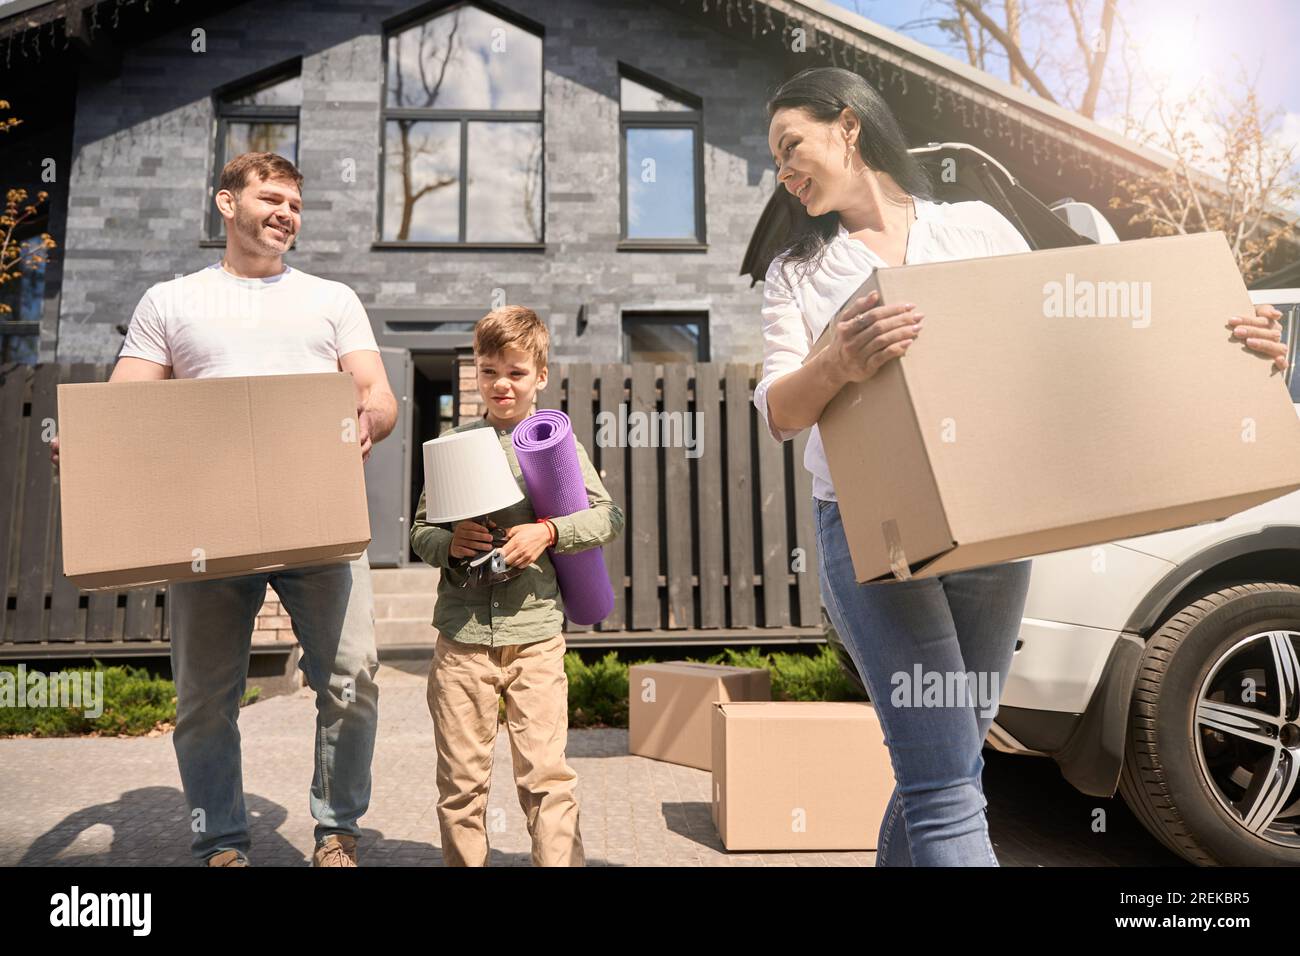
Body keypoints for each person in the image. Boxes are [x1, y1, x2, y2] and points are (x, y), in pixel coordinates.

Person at [753, 67, 1288, 866]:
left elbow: (1076, 338)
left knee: (945, 771)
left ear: (849, 126)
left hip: (992, 530)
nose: (783, 170)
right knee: (945, 789)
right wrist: (835, 361)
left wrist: (1226, 346)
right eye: (775, 159)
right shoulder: (798, 272)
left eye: (791, 144)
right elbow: (779, 412)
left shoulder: (975, 226)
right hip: (873, 538)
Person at [56, 151, 398, 867]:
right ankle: (221, 839)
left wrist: (369, 418)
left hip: (319, 522)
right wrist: (92, 448)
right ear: (225, 203)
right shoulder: (172, 301)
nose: (286, 214)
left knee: (353, 676)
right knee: (205, 700)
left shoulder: (331, 299)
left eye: (296, 206)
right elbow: (129, 403)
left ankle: (337, 831)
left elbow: (376, 391)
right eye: (271, 198)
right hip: (206, 531)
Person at [409, 305, 623, 867]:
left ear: (540, 376)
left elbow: (608, 517)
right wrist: (450, 543)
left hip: (535, 638)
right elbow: (420, 532)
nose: (501, 384)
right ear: (475, 374)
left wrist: (547, 531)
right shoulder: (453, 446)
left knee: (547, 780)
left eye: (516, 372)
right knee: (460, 787)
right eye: (488, 371)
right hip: (462, 640)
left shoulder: (557, 444)